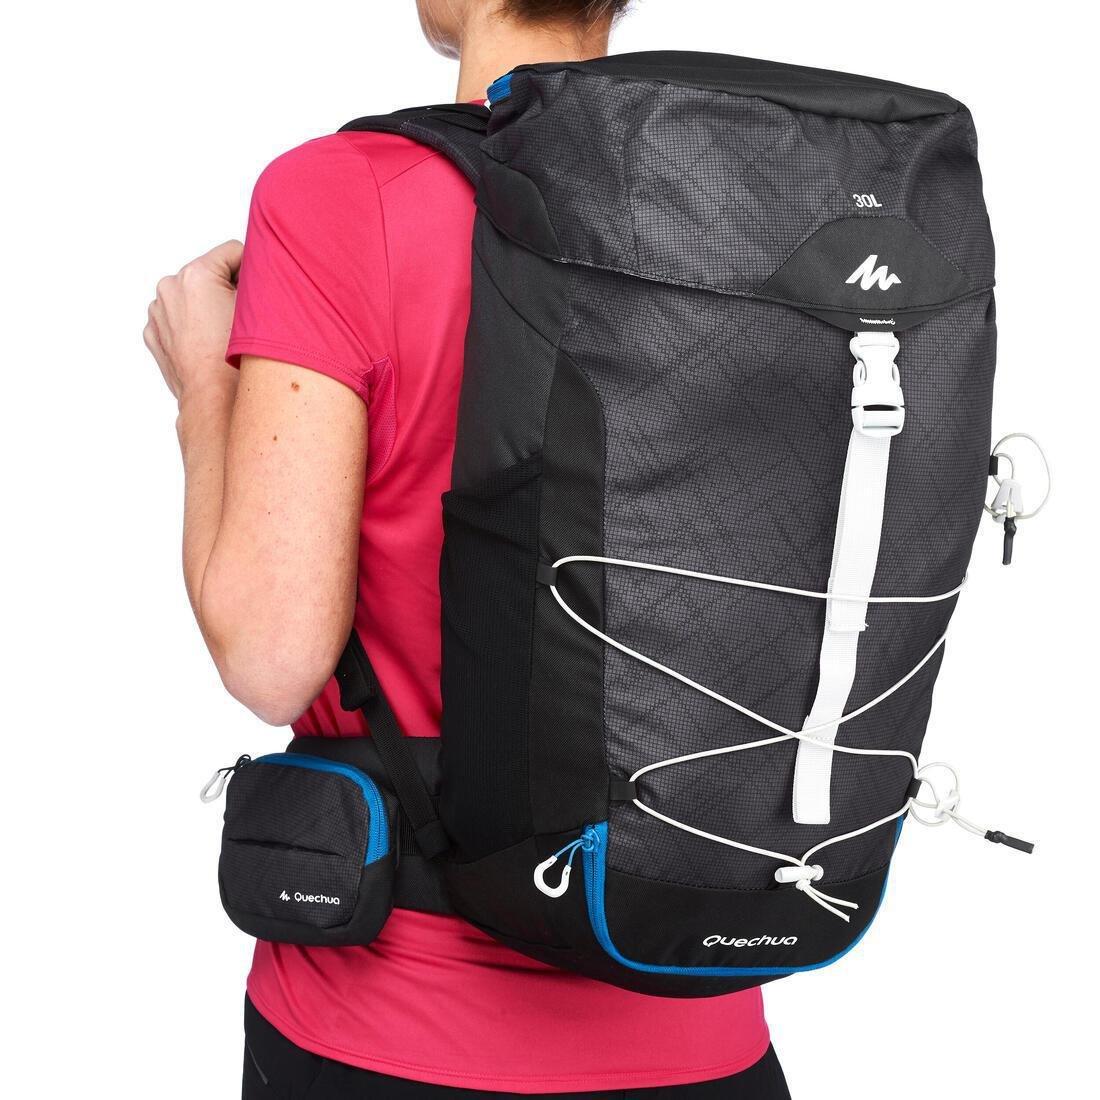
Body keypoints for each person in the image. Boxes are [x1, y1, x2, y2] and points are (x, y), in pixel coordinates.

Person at [144, 1, 791, 1095]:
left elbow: (271, 656)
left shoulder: (341, 194)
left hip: (393, 1024)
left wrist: (206, 390)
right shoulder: (749, 210)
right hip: (703, 1018)